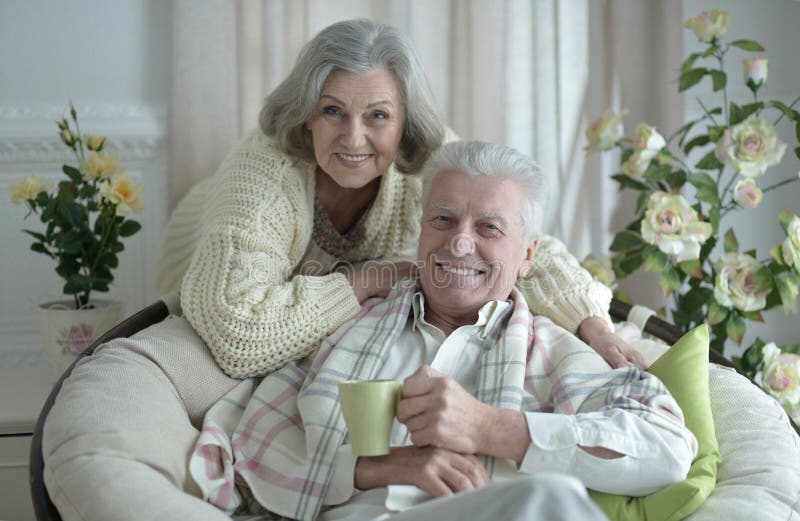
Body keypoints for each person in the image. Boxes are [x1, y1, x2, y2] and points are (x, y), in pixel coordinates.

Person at [189, 141, 696, 521]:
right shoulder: (347, 327)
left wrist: (488, 428)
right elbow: (253, 443)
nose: (458, 244)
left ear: (527, 256)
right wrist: (382, 467)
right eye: (444, 219)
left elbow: (667, 446)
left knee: (551, 500)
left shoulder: (555, 352)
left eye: (488, 228)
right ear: (421, 231)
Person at [156, 18, 647, 381]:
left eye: (377, 116)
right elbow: (239, 336)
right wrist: (374, 278)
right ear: (306, 113)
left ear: (406, 119)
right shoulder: (264, 172)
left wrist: (593, 326)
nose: (353, 139)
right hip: (198, 288)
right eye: (333, 111)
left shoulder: (429, 158)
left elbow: (517, 243)